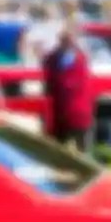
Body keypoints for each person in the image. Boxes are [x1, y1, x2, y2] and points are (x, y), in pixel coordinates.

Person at [42, 24, 95, 152]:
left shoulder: (79, 58)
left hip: (78, 113)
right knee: (58, 150)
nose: (66, 41)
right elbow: (49, 83)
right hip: (59, 114)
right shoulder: (53, 58)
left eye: (69, 38)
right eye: (63, 38)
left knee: (81, 148)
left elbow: (74, 83)